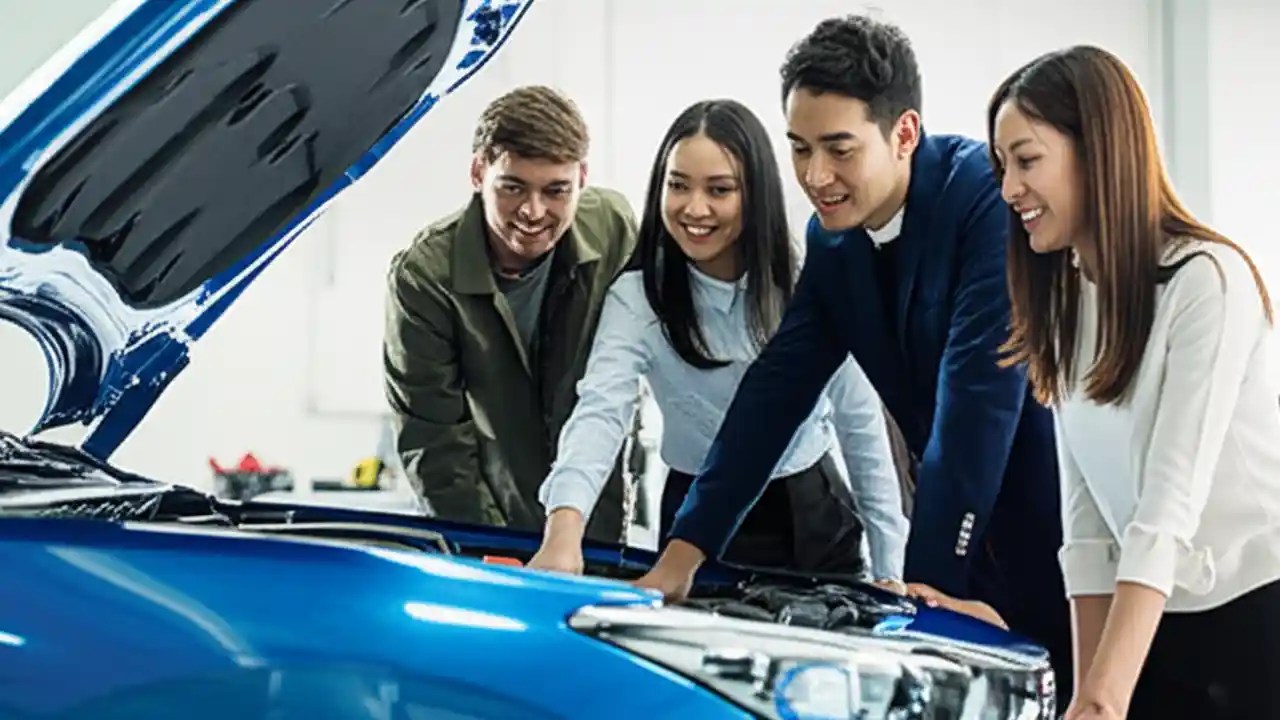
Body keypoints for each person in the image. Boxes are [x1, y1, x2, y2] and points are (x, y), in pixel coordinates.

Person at [632, 14, 1073, 698]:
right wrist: (684, 552)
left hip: (1060, 540)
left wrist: (925, 591)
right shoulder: (832, 242)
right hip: (960, 540)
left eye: (839, 149)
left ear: (904, 133)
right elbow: (776, 391)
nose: (815, 175)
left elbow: (977, 403)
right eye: (799, 148)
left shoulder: (983, 200)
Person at [990, 46, 1280, 720]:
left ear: (1097, 151)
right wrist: (1086, 695)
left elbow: (1166, 510)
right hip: (1152, 616)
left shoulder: (1207, 280)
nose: (1008, 190)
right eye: (1001, 167)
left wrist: (1105, 695)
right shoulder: (1064, 301)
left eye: (1027, 161)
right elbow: (1088, 527)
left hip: (1255, 617)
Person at [525, 99, 909, 582]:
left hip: (811, 513)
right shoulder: (637, 298)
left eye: (720, 189)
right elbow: (600, 412)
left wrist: (891, 566)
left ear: (756, 195)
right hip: (692, 515)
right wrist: (563, 531)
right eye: (678, 186)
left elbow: (859, 423)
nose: (695, 208)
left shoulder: (806, 286)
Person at [383, 85, 641, 543]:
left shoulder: (615, 229)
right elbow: (435, 444)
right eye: (513, 187)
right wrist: (492, 553)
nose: (533, 211)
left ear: (582, 177)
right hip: (488, 523)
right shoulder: (424, 277)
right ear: (479, 171)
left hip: (597, 524)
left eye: (556, 190)